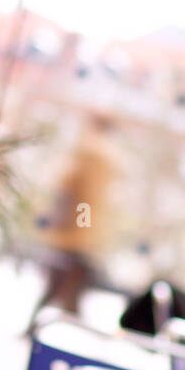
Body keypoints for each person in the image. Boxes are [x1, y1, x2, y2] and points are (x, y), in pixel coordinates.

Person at [36, 113, 122, 316]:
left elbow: (79, 193)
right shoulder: (109, 157)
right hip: (88, 230)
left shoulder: (89, 151)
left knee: (62, 284)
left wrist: (77, 225)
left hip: (76, 231)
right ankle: (40, 325)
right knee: (66, 287)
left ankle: (38, 326)